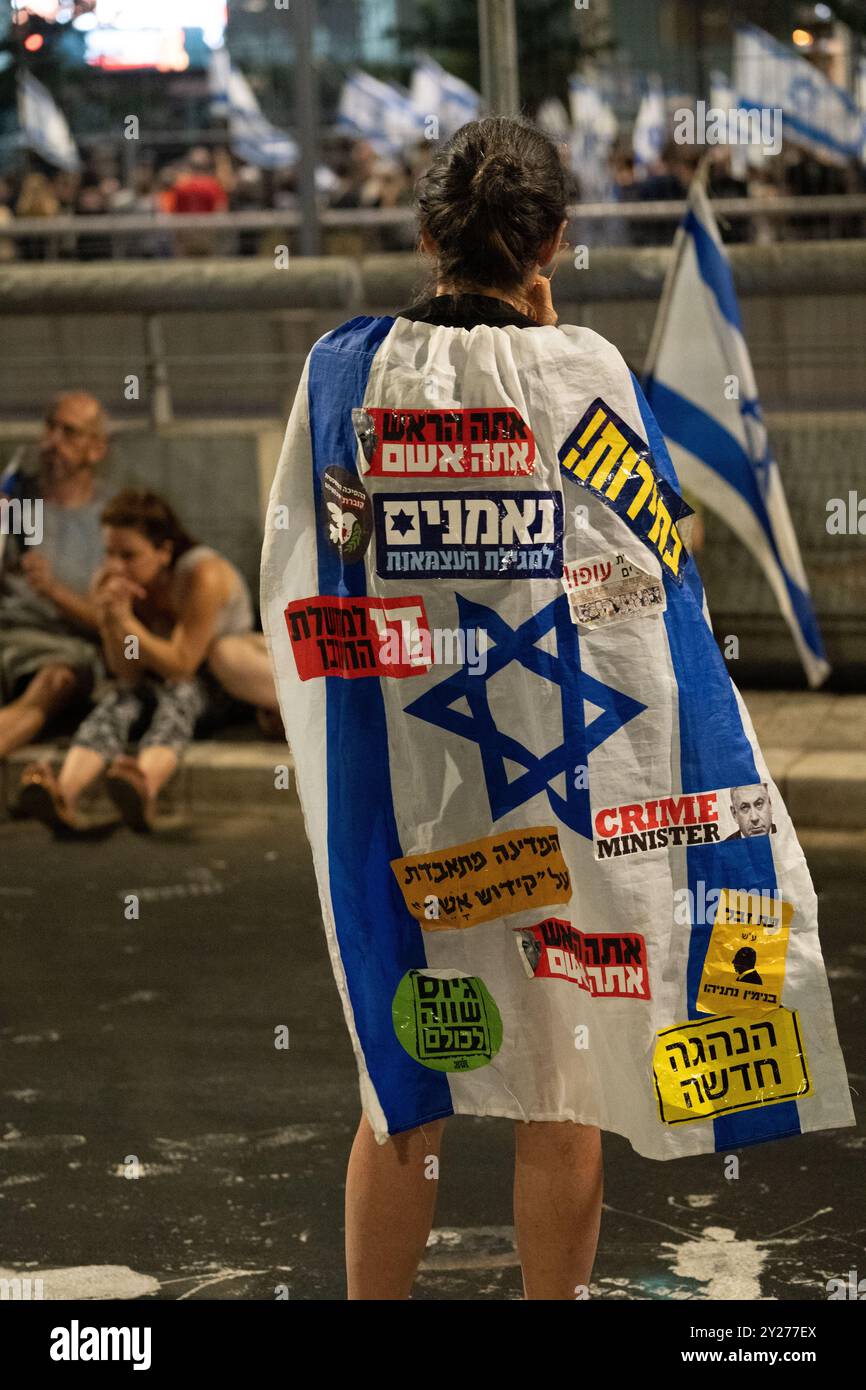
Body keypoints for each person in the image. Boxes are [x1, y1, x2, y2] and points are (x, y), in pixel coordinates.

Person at [259, 115, 854, 1301]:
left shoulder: (341, 369)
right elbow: (649, 582)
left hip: (417, 797)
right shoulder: (588, 371)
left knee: (404, 1096)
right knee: (562, 1086)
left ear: (425, 233)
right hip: (571, 790)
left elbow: (310, 558)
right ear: (556, 241)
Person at [15, 489, 253, 832]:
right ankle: (63, 793)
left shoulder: (202, 575)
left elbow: (183, 666)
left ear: (164, 552)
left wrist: (126, 624)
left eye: (128, 555)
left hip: (221, 684)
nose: (115, 566)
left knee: (180, 694)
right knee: (119, 698)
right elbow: (125, 671)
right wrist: (112, 620)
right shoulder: (117, 582)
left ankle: (144, 785)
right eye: (109, 553)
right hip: (160, 679)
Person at [0, 392, 109, 759]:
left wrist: (53, 592)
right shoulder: (15, 503)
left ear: (95, 449)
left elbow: (109, 623)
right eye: (50, 427)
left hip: (62, 648)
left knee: (56, 679)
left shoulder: (110, 522)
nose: (53, 441)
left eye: (69, 433)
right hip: (8, 634)